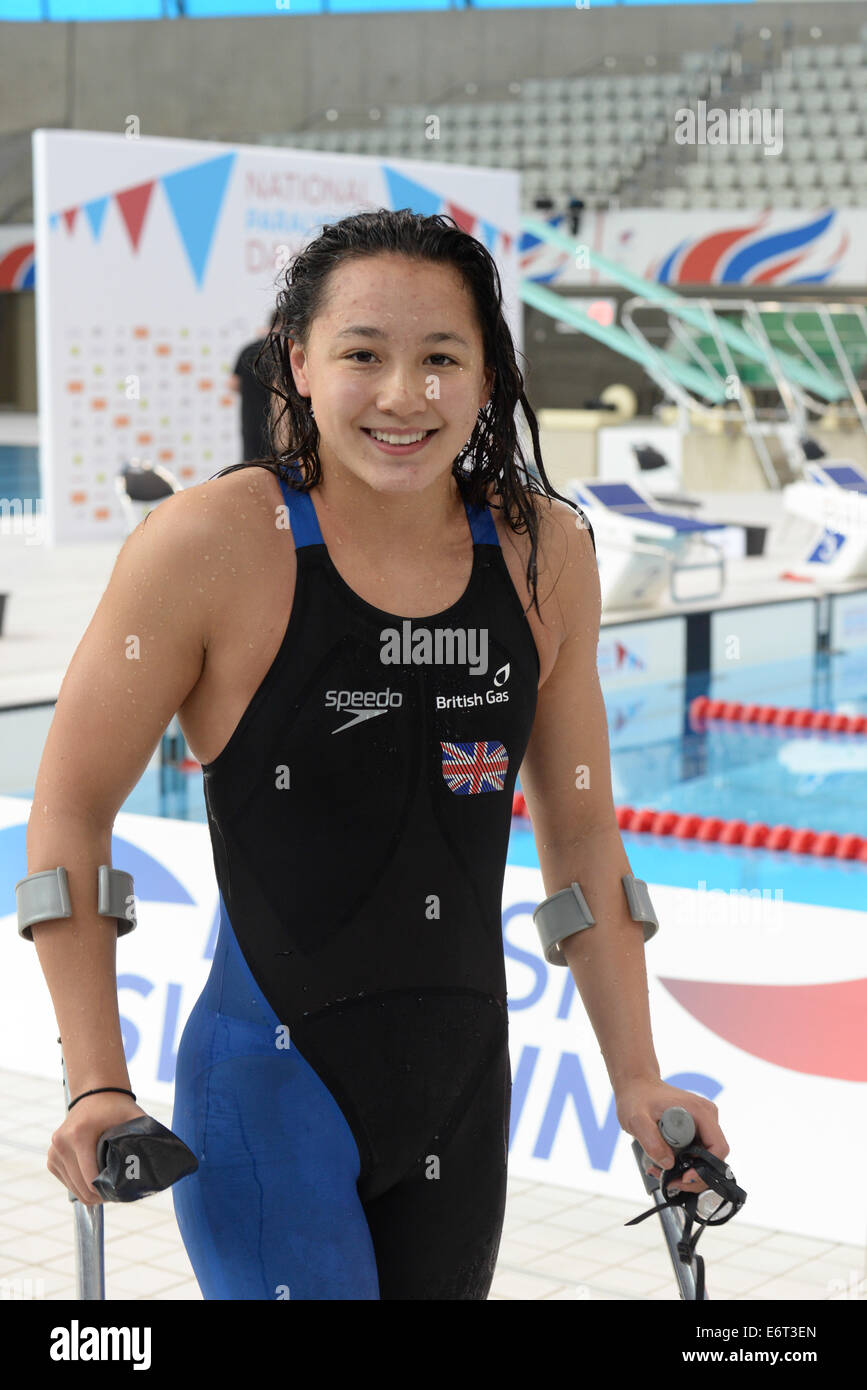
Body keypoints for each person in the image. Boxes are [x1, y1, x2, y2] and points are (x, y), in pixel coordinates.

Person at [27, 208, 729, 1300]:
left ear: (488, 374)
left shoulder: (547, 553)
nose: (404, 395)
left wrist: (636, 1076)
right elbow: (70, 811)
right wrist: (93, 1083)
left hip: (461, 1091)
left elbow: (583, 829)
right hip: (270, 1090)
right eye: (363, 354)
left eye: (442, 358)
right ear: (299, 363)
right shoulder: (214, 546)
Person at [227, 311, 280, 462]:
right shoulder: (284, 352)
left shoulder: (248, 349)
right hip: (277, 424)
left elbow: (233, 384)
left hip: (250, 420)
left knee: (251, 467)